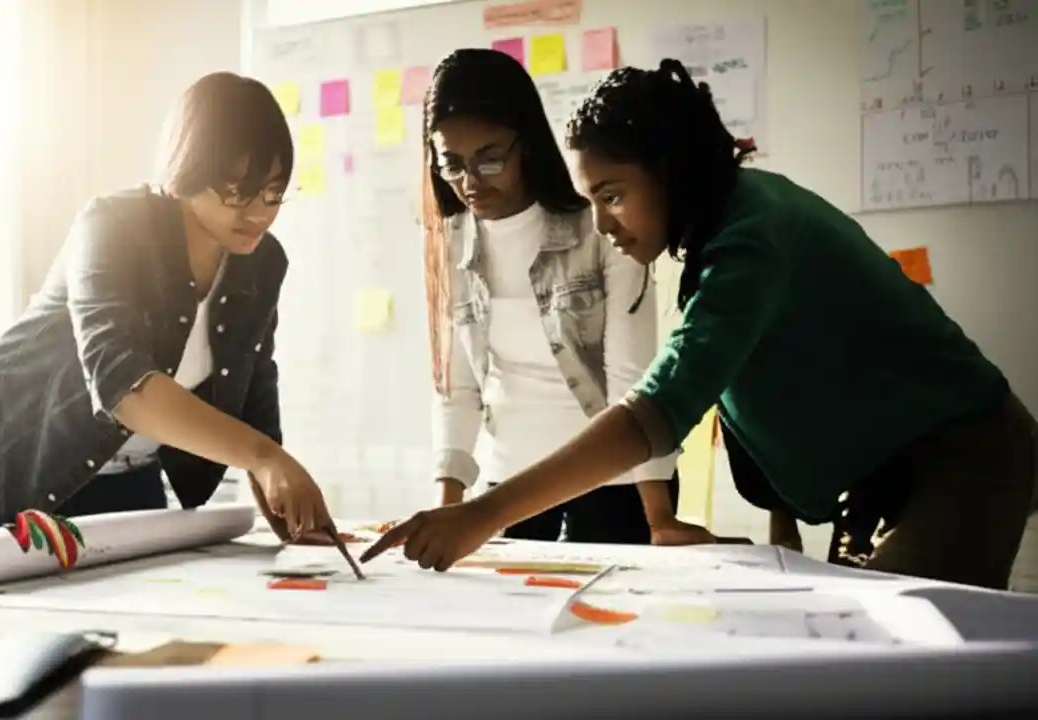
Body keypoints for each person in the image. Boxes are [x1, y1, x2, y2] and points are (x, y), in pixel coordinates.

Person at [364, 60, 1037, 590]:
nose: (602, 223)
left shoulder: (753, 237)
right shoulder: (726, 224)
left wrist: (481, 516)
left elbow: (655, 408)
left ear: (672, 172)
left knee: (898, 669)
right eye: (593, 198)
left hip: (965, 458)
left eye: (614, 195)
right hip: (883, 477)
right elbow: (772, 383)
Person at [0, 72, 336, 550]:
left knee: (135, 614)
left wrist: (286, 506)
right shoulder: (112, 224)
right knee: (3, 612)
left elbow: (254, 385)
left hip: (129, 465)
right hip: (11, 453)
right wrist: (267, 458)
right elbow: (121, 385)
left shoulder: (264, 262)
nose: (258, 212)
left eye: (272, 193)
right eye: (237, 191)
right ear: (189, 166)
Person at [418, 48, 697, 546]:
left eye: (490, 159)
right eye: (451, 164)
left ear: (526, 144)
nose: (471, 182)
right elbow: (456, 390)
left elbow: (634, 380)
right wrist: (447, 512)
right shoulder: (448, 241)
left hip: (614, 483)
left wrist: (658, 516)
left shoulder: (600, 226)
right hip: (507, 488)